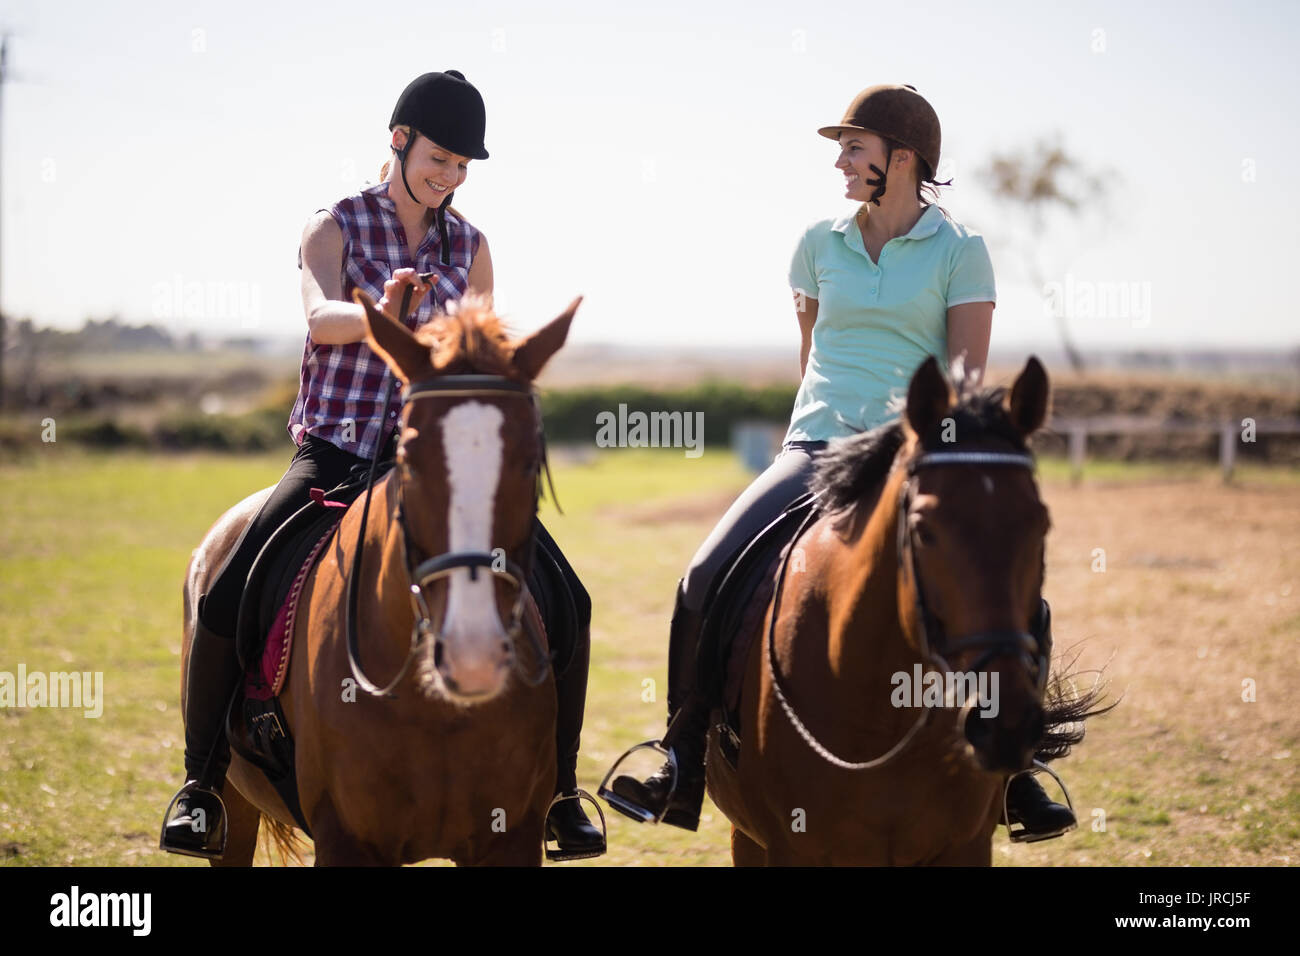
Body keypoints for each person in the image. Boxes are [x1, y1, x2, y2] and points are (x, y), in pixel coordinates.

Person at [608, 84, 1075, 840]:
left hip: (910, 454)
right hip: (817, 445)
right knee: (702, 576)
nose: (840, 161)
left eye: (854, 148)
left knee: (1019, 598)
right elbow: (811, 353)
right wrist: (816, 432)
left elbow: (963, 381)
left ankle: (1015, 773)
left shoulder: (961, 251)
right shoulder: (817, 242)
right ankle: (683, 756)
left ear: (902, 160)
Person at [161, 70, 603, 860]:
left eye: (463, 165)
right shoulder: (333, 226)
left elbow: (483, 341)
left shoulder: (471, 244)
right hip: (332, 454)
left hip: (431, 465)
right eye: (439, 156)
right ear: (398, 140)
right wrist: (384, 317)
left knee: (567, 596)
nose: (450, 176)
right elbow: (320, 316)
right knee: (230, 585)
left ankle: (561, 794)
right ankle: (202, 785)